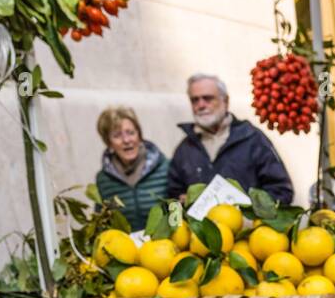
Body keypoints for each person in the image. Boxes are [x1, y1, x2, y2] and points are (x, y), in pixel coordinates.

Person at [166, 74, 293, 205]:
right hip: (200, 225)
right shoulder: (185, 148)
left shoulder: (252, 139)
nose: (201, 105)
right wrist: (182, 200)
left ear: (225, 101)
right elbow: (173, 194)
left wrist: (251, 212)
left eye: (208, 98)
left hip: (249, 225)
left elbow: (281, 191)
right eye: (195, 100)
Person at [94, 107, 170, 231]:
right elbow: (101, 225)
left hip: (163, 247)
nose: (126, 140)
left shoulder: (165, 168)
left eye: (131, 133)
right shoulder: (103, 180)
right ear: (109, 143)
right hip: (127, 248)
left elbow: (178, 210)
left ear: (139, 135)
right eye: (117, 135)